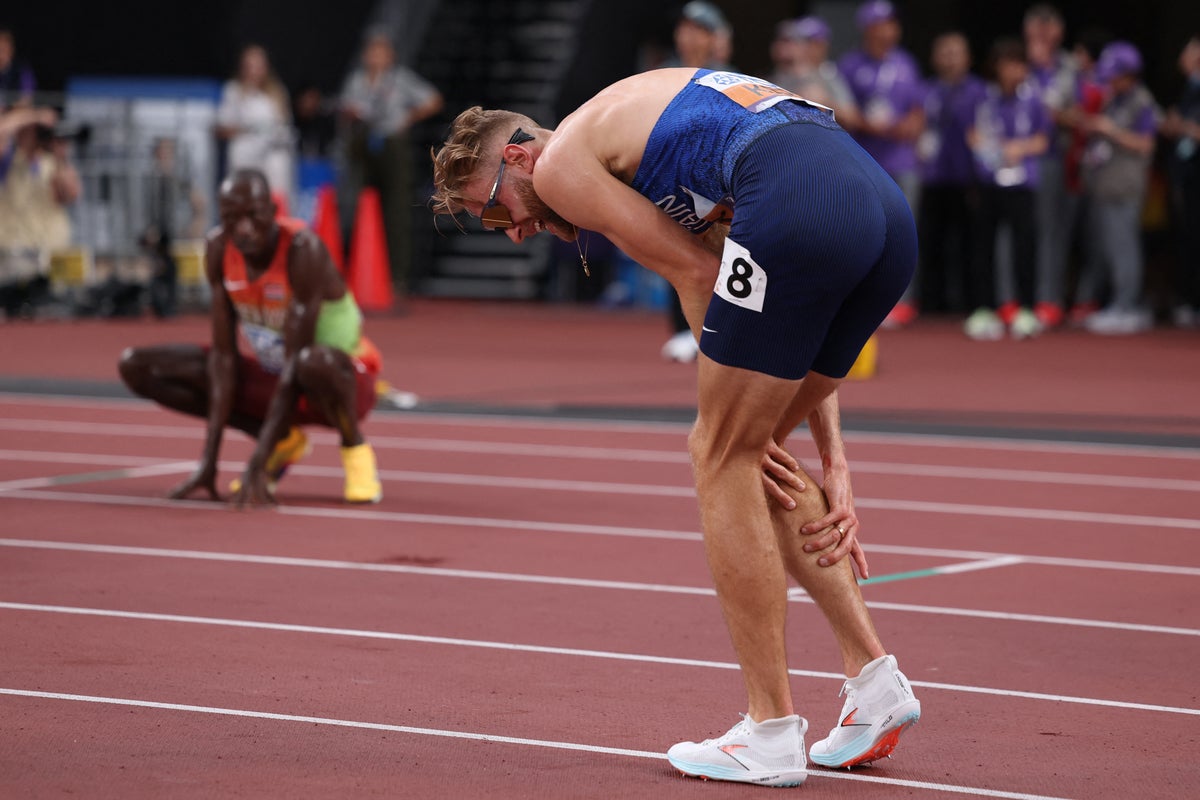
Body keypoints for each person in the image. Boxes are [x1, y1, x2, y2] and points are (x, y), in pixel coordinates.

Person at [431, 67, 922, 787]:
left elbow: (698, 276)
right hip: (876, 206)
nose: (516, 233)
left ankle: (771, 731)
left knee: (716, 455)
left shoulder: (564, 160)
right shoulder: (640, 134)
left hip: (795, 193)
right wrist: (832, 460)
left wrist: (723, 418)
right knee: (752, 453)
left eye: (499, 213)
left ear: (517, 157)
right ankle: (876, 686)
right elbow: (770, 278)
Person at [118, 168, 383, 506]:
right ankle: (283, 440)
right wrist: (208, 461)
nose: (243, 229)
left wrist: (256, 462)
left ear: (273, 213)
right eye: (231, 218)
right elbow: (224, 358)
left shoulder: (302, 249)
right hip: (279, 379)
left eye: (253, 216)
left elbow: (294, 365)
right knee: (138, 366)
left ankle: (355, 448)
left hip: (339, 382)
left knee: (310, 362)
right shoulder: (218, 249)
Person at [838, 1, 925, 328]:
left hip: (902, 160)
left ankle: (903, 301)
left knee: (906, 231)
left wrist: (911, 125)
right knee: (865, 229)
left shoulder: (906, 63)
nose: (887, 31)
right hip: (865, 158)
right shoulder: (849, 65)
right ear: (868, 29)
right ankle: (863, 298)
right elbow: (841, 110)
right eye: (881, 25)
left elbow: (919, 108)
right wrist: (868, 124)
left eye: (891, 24)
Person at [338, 30, 443, 298]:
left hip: (392, 144)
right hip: (363, 143)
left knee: (396, 210)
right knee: (360, 205)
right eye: (372, 51)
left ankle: (397, 277)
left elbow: (433, 100)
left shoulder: (400, 79)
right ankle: (358, 270)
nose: (376, 57)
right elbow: (346, 108)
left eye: (381, 51)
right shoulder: (357, 81)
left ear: (390, 55)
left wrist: (408, 117)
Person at [658, 1, 733, 364]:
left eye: (698, 30)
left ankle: (722, 328)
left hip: (720, 183)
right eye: (683, 29)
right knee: (677, 251)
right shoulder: (660, 76)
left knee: (725, 254)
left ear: (713, 38)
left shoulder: (729, 77)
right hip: (673, 180)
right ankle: (683, 329)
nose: (688, 37)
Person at [964, 38, 1050, 341]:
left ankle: (1026, 309)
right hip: (989, 181)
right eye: (1009, 64)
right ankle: (984, 309)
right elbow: (972, 135)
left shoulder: (1033, 99)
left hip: (1022, 181)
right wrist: (988, 150)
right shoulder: (982, 98)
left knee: (1025, 247)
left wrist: (1019, 148)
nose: (1015, 71)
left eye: (1020, 64)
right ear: (997, 67)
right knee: (983, 247)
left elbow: (1042, 140)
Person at [1076, 42, 1159, 335]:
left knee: (1125, 249)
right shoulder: (1115, 100)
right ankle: (1117, 303)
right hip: (1106, 185)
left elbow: (1146, 144)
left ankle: (1127, 306)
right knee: (1110, 248)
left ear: (1130, 74)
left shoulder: (1142, 101)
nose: (1109, 81)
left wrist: (1110, 130)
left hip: (1125, 186)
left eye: (1115, 75)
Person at [917, 32, 987, 315]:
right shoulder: (927, 90)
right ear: (934, 58)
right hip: (933, 177)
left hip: (968, 178)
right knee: (932, 244)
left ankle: (968, 304)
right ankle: (933, 305)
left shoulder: (980, 91)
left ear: (968, 58)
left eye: (955, 52)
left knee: (969, 245)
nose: (949, 58)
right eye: (944, 52)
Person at [1024, 4, 1079, 328]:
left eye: (1049, 27)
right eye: (1037, 27)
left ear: (1059, 32)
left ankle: (1048, 299)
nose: (1043, 34)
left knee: (1050, 232)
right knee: (1014, 232)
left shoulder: (1069, 66)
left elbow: (1077, 113)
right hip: (1015, 159)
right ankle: (1012, 299)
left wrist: (1046, 109)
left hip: (1054, 159)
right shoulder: (1016, 61)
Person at [216, 44, 295, 206]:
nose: (254, 71)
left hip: (273, 159)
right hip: (245, 158)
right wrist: (249, 129)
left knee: (274, 200)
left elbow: (286, 127)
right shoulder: (233, 91)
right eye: (250, 66)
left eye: (259, 66)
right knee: (244, 201)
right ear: (243, 68)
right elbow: (221, 128)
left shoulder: (278, 93)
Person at [1161, 35, 1200, 327]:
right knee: (1188, 237)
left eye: (1190, 48)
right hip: (1186, 174)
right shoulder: (1189, 88)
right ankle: (1190, 299)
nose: (1184, 53)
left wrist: (1183, 126)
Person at [769, 16, 861, 125]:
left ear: (823, 46)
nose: (805, 47)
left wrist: (824, 102)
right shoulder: (785, 72)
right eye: (800, 41)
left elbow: (852, 118)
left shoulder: (828, 73)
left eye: (811, 43)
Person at [0, 28, 35, 110]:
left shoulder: (22, 71)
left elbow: (27, 99)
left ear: (12, 50)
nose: (1, 54)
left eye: (4, 49)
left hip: (14, 115)